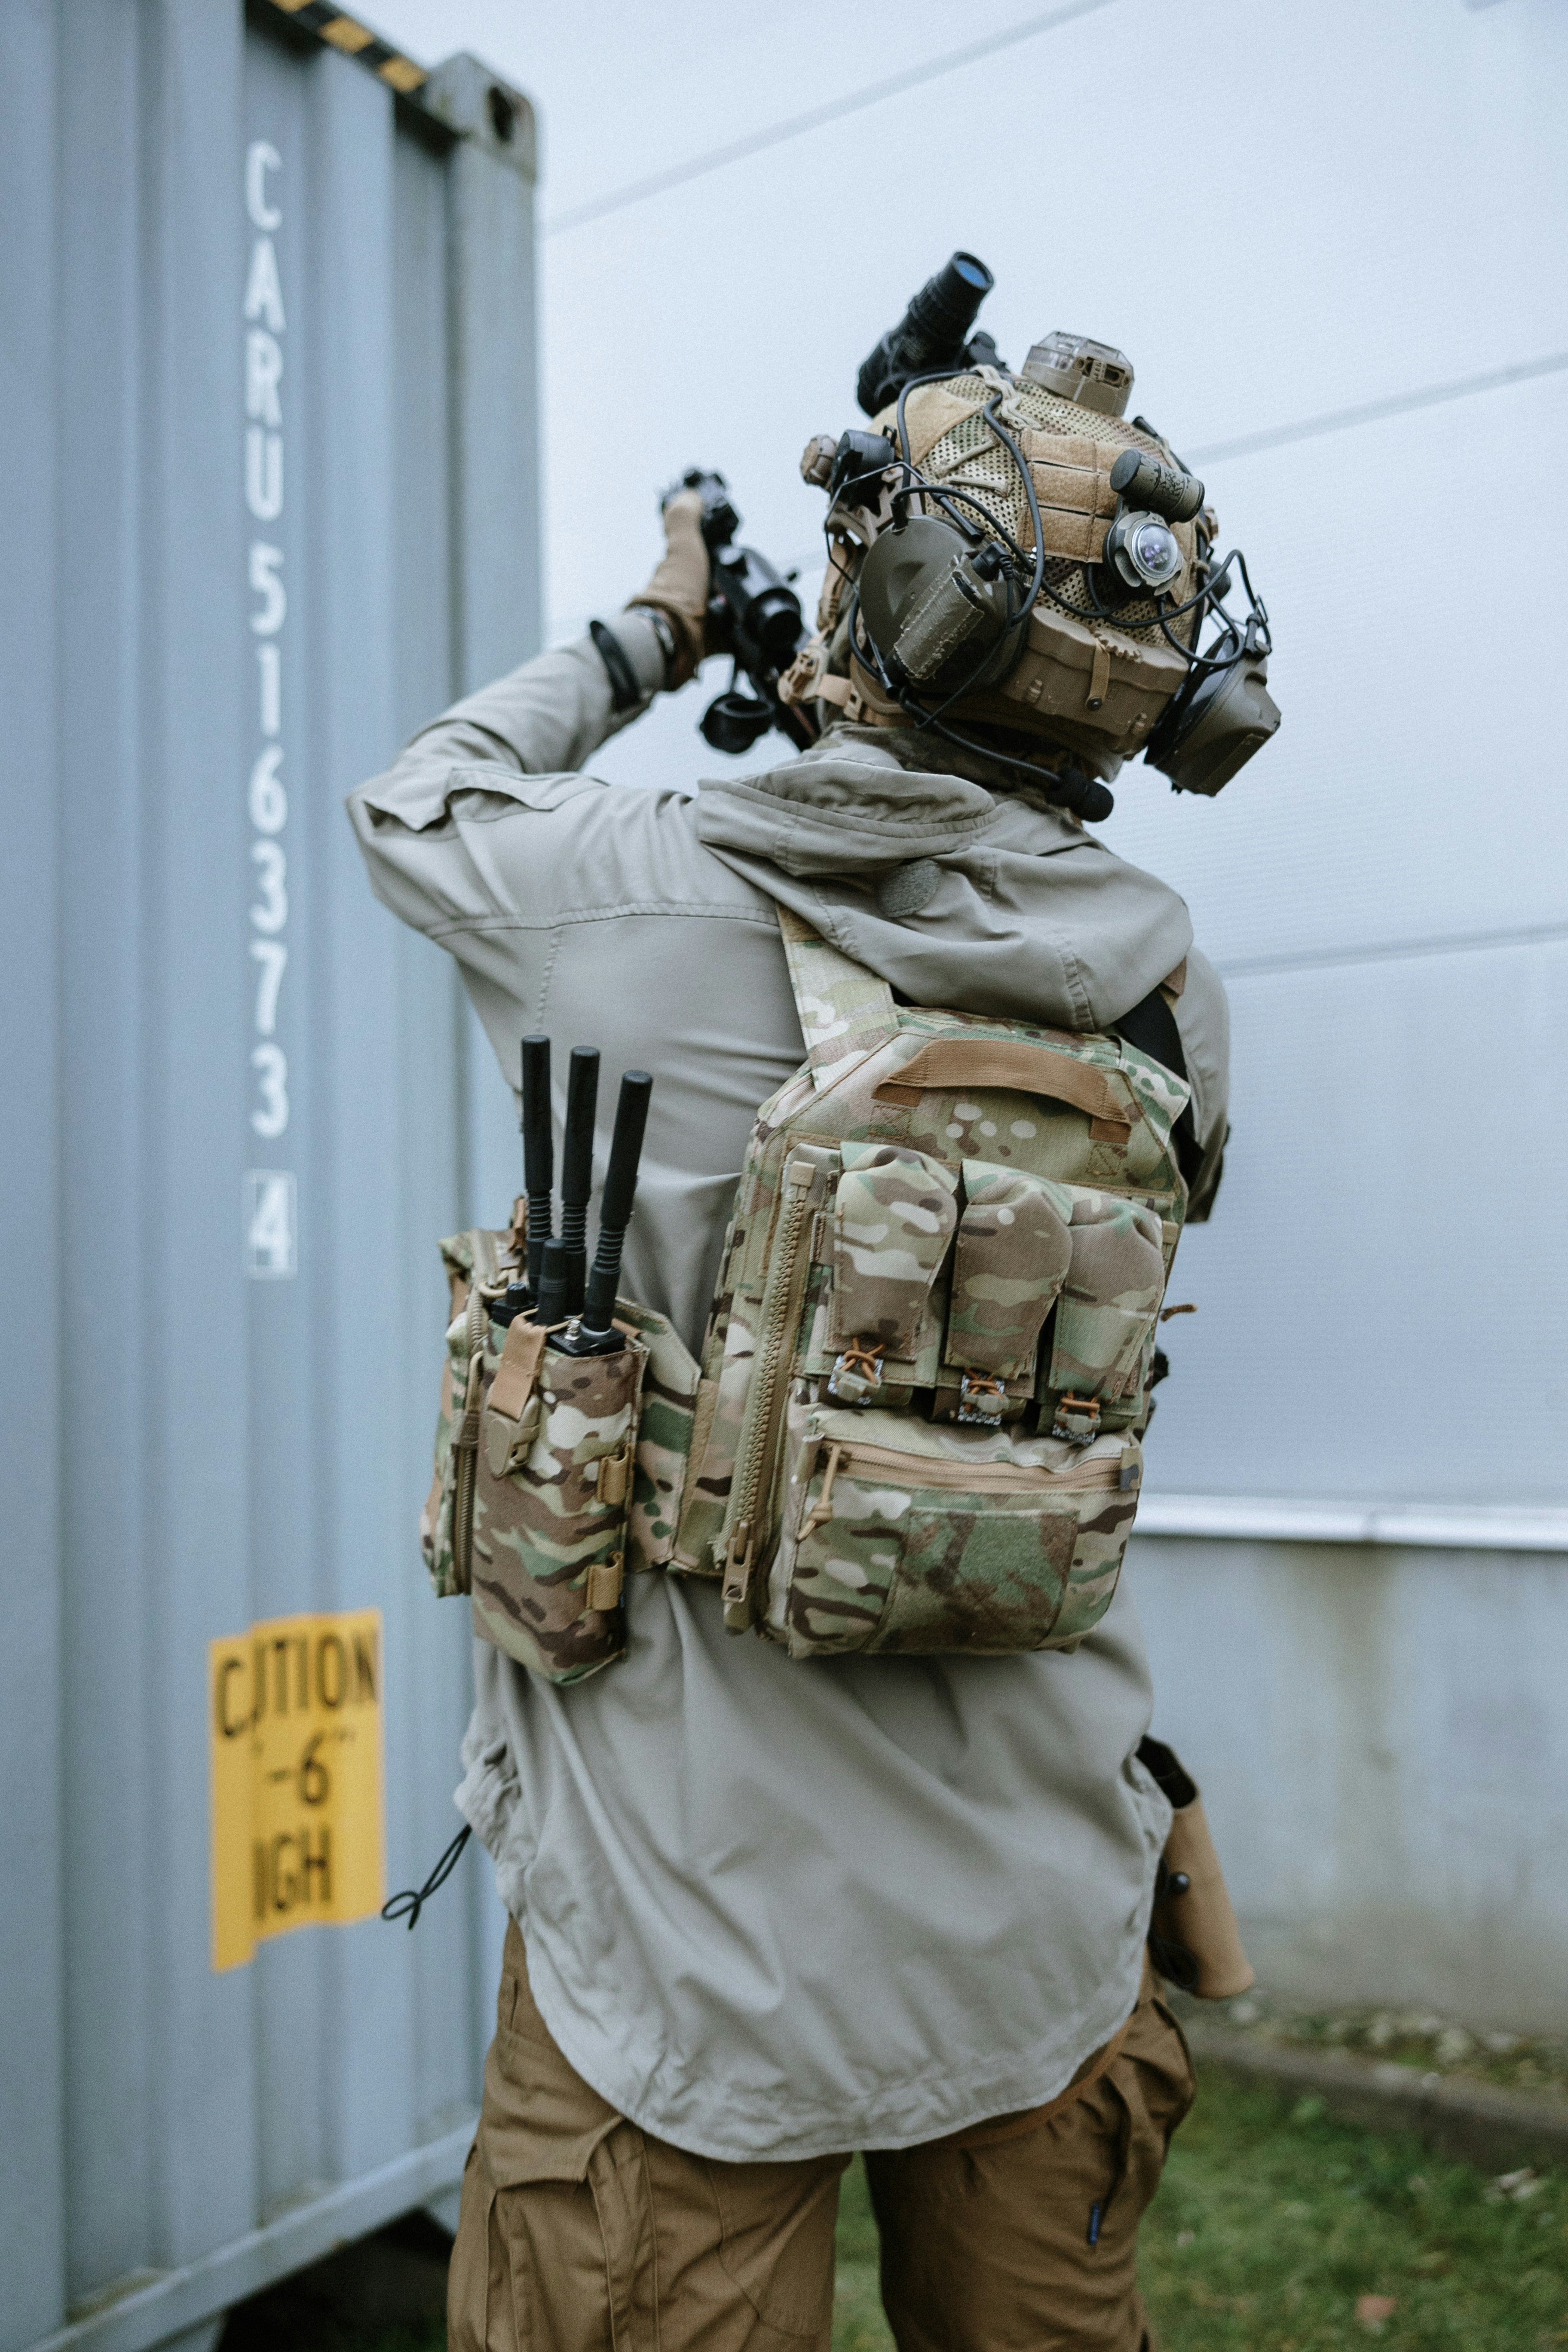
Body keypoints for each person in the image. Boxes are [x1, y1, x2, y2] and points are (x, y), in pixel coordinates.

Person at [348, 397, 1234, 2349]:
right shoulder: (1166, 986)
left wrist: (662, 622)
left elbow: (417, 796)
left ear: (876, 596)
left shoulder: (623, 905)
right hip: (1041, 1932)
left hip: (691, 1969)